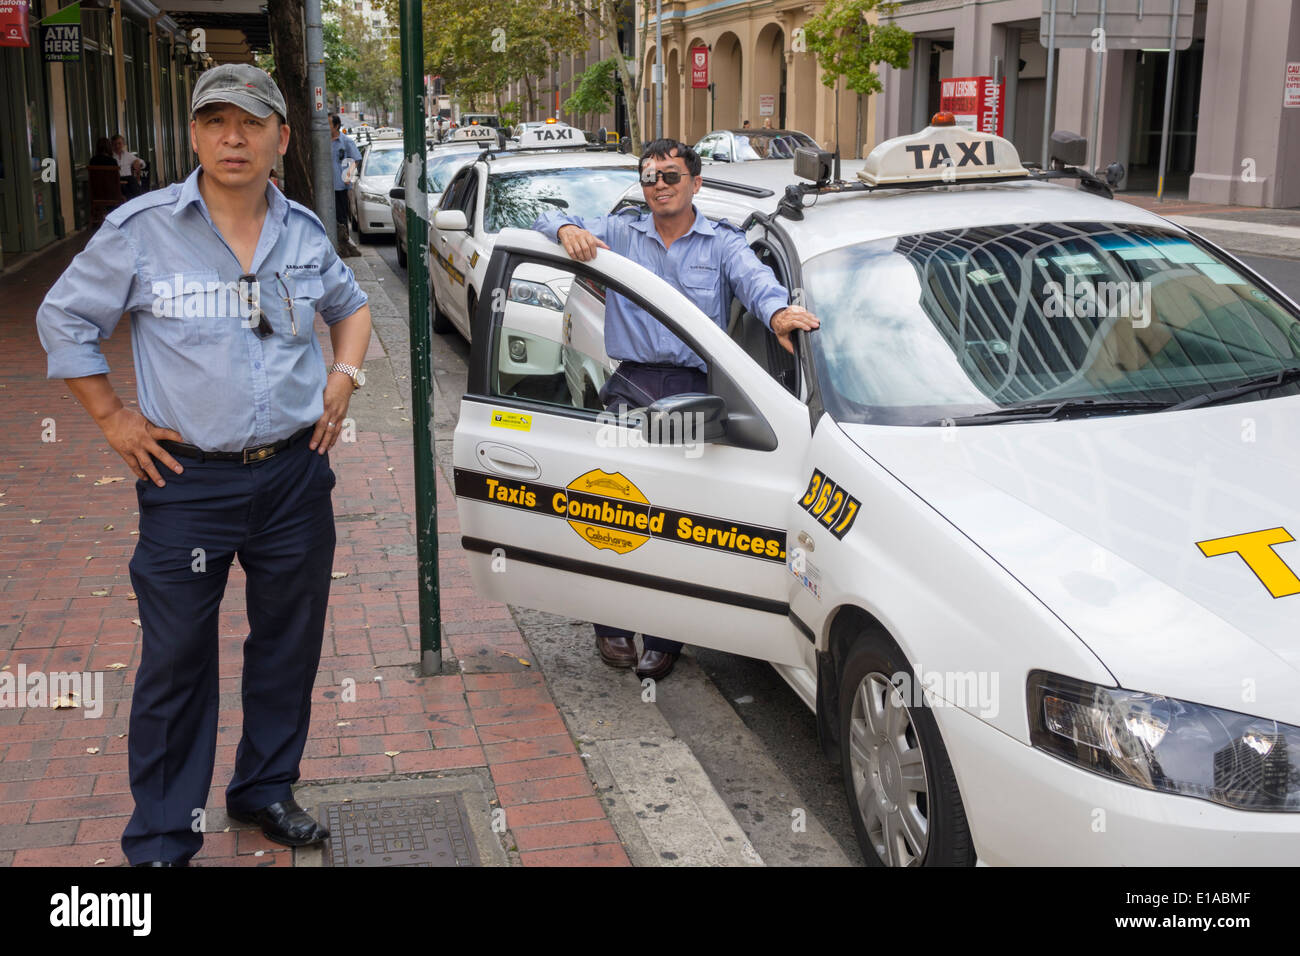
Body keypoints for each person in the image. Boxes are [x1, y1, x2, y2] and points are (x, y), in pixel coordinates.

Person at [36, 62, 373, 867]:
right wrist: (113, 417)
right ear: (192, 134)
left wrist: (344, 376)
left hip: (296, 474)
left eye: (251, 122)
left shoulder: (304, 229)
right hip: (186, 483)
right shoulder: (141, 229)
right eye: (216, 121)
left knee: (288, 645)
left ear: (280, 139)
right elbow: (64, 320)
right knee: (177, 658)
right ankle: (161, 834)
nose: (233, 137)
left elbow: (350, 306)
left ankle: (264, 786)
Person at [531, 138, 820, 680]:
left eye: (670, 176)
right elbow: (550, 216)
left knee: (673, 516)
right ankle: (610, 624)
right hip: (630, 383)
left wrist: (780, 312)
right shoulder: (620, 231)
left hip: (692, 391)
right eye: (649, 177)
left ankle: (665, 637)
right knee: (606, 505)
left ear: (695, 183)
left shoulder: (722, 244)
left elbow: (757, 284)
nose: (658, 186)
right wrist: (565, 229)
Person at [330, 113, 362, 257]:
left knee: (341, 216)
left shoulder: (345, 142)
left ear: (336, 126)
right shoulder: (322, 140)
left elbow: (356, 159)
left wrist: (348, 174)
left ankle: (344, 245)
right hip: (325, 187)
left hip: (340, 186)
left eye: (328, 124)